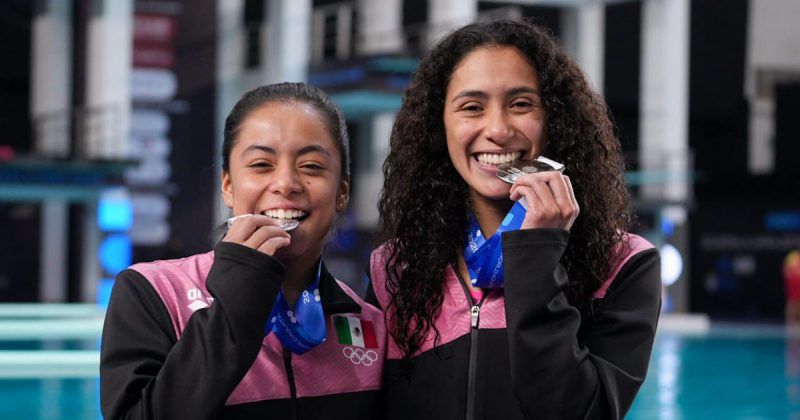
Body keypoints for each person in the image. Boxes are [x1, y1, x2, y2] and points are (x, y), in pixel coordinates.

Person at [368, 19, 661, 419]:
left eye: (521, 104)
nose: (498, 130)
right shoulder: (396, 266)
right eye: (471, 107)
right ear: (440, 126)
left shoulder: (623, 263)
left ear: (556, 119)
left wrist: (538, 254)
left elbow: (577, 413)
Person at [101, 83, 385, 419]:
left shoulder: (371, 324)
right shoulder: (154, 292)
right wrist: (235, 306)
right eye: (262, 165)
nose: (285, 183)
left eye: (311, 166)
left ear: (342, 192)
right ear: (228, 186)